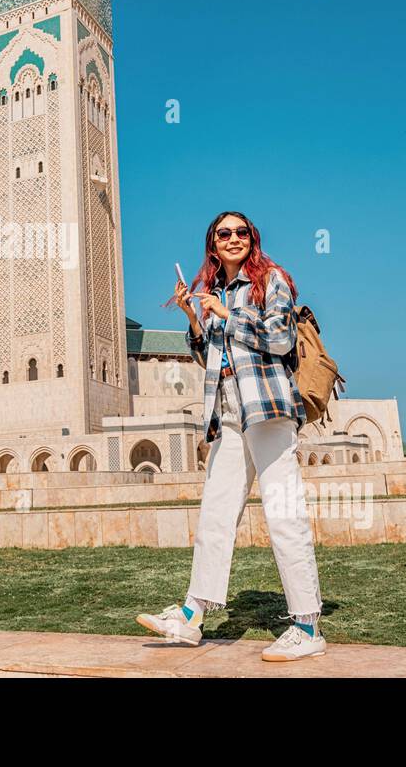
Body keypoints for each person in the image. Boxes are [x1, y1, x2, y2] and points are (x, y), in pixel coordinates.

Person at [135, 211, 327, 661]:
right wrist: (195, 317)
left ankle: (306, 626)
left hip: (269, 412)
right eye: (225, 234)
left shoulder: (270, 280)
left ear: (251, 239)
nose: (234, 238)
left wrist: (230, 315)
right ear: (213, 245)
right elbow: (210, 357)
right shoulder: (216, 290)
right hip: (229, 417)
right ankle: (190, 616)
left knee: (284, 516)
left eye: (242, 232)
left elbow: (280, 338)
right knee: (215, 517)